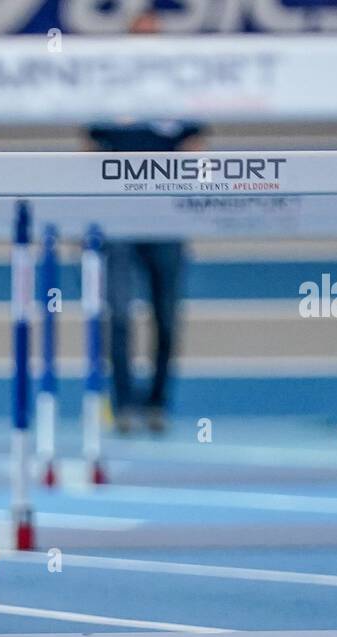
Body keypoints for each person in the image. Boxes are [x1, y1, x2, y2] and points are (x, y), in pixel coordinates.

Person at [85, 9, 204, 434]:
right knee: (117, 315)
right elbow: (90, 151)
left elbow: (195, 147)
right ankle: (123, 404)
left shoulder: (180, 89)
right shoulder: (109, 90)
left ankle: (157, 403)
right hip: (117, 217)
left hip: (166, 216)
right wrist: (86, 214)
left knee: (167, 316)